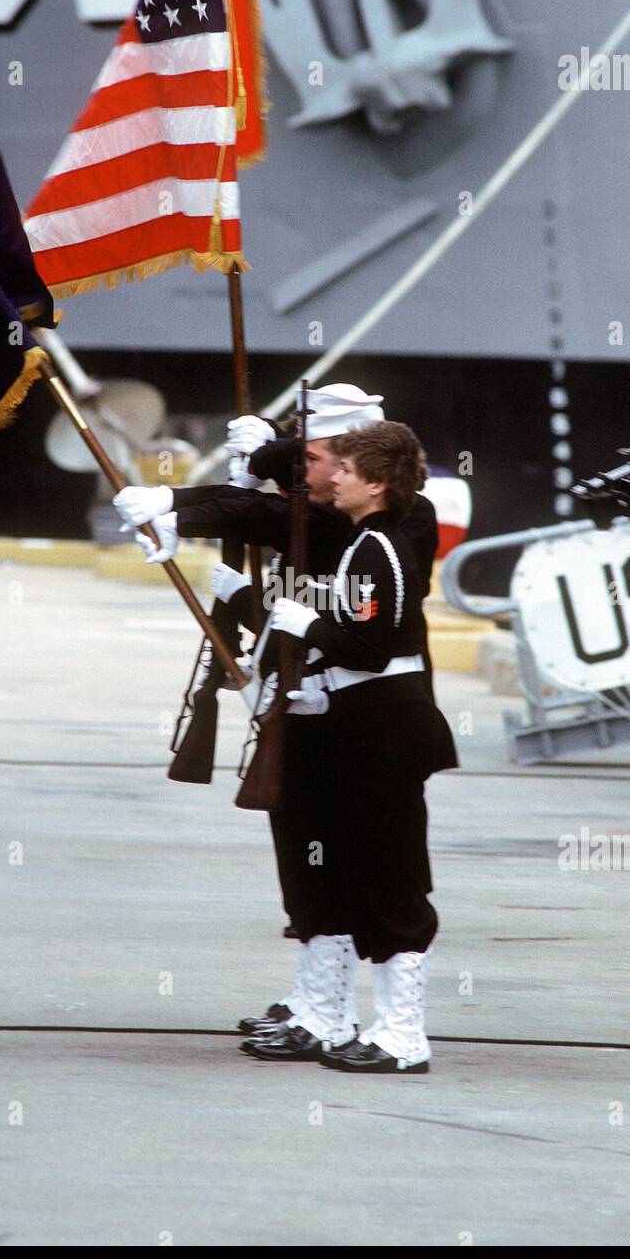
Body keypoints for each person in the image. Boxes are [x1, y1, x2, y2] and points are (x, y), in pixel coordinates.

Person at [112, 388, 454, 1051]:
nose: (316, 473)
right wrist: (238, 587)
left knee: (384, 877)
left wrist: (205, 490)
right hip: (318, 713)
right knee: (312, 868)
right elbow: (271, 523)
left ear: (368, 469)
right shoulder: (331, 517)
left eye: (325, 459)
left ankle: (400, 1031)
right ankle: (322, 1010)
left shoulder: (393, 525)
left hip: (377, 721)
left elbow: (293, 537)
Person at [246, 422, 453, 1073]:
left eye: (347, 469)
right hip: (361, 725)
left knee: (391, 882)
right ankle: (338, 1017)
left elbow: (373, 645)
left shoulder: (381, 549)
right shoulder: (366, 542)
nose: (332, 477)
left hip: (387, 732)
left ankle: (403, 1035)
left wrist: (308, 623)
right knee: (352, 875)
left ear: (378, 483)